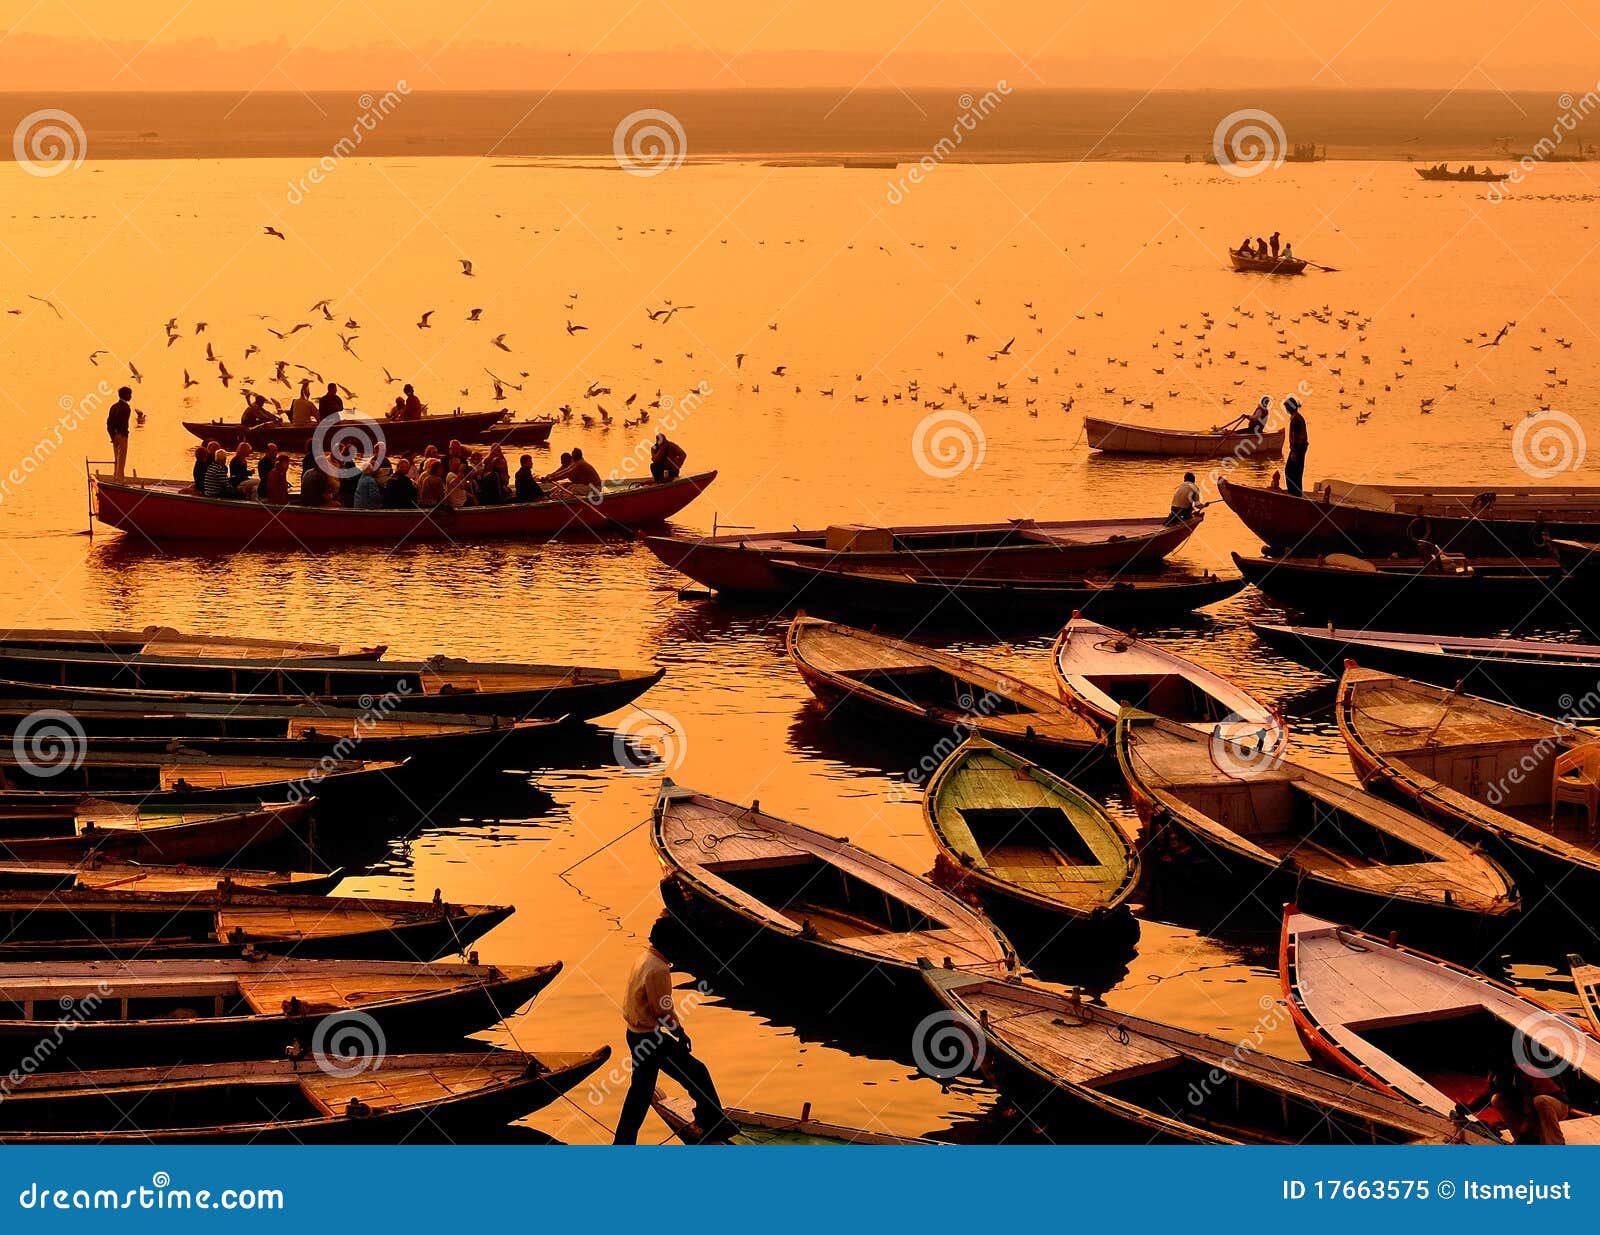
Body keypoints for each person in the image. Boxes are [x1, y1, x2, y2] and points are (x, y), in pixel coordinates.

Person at [613, 917, 735, 1145]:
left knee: (640, 1093)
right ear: (670, 945)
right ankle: (712, 1123)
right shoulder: (659, 970)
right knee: (697, 1072)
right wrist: (680, 1032)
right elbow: (662, 1011)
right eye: (679, 945)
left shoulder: (644, 958)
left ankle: (623, 1142)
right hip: (650, 1039)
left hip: (635, 1034)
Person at [1454, 1044, 1586, 1144]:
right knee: (1496, 1099)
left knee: (1540, 1101)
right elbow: (1486, 1096)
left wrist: (1525, 1130)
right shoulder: (1496, 1076)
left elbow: (1530, 1110)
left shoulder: (1523, 1075)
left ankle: (1555, 1144)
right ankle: (1523, 1140)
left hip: (1558, 1106)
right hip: (1532, 1108)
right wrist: (1468, 1107)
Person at [1284, 394, 1308, 497]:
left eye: (1287, 408)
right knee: (1297, 470)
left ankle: (1294, 492)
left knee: (1289, 470)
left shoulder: (1295, 420)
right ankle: (1296, 492)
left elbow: (1295, 437)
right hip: (1301, 448)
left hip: (1298, 448)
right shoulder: (1298, 417)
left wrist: (1294, 451)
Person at [106, 386, 133, 480]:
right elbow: (122, 423)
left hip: (114, 436)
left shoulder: (113, 406)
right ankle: (119, 478)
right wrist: (124, 434)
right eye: (130, 394)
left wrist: (112, 436)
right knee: (121, 459)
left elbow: (109, 423)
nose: (131, 396)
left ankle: (116, 476)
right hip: (122, 436)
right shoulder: (126, 407)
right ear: (125, 395)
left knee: (117, 459)